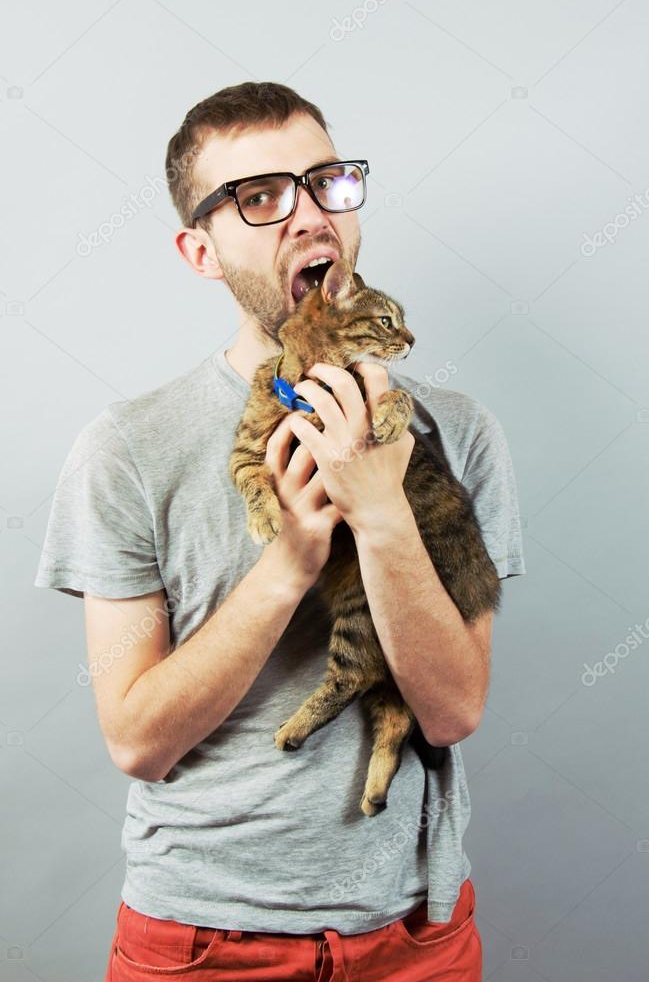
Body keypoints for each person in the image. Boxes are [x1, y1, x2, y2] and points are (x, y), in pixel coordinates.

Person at [34, 81, 526, 981]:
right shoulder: (127, 449)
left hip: (416, 937)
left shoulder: (459, 432)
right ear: (200, 250)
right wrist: (292, 558)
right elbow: (138, 739)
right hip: (200, 944)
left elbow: (453, 711)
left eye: (326, 180)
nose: (307, 214)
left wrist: (380, 512)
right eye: (259, 197)